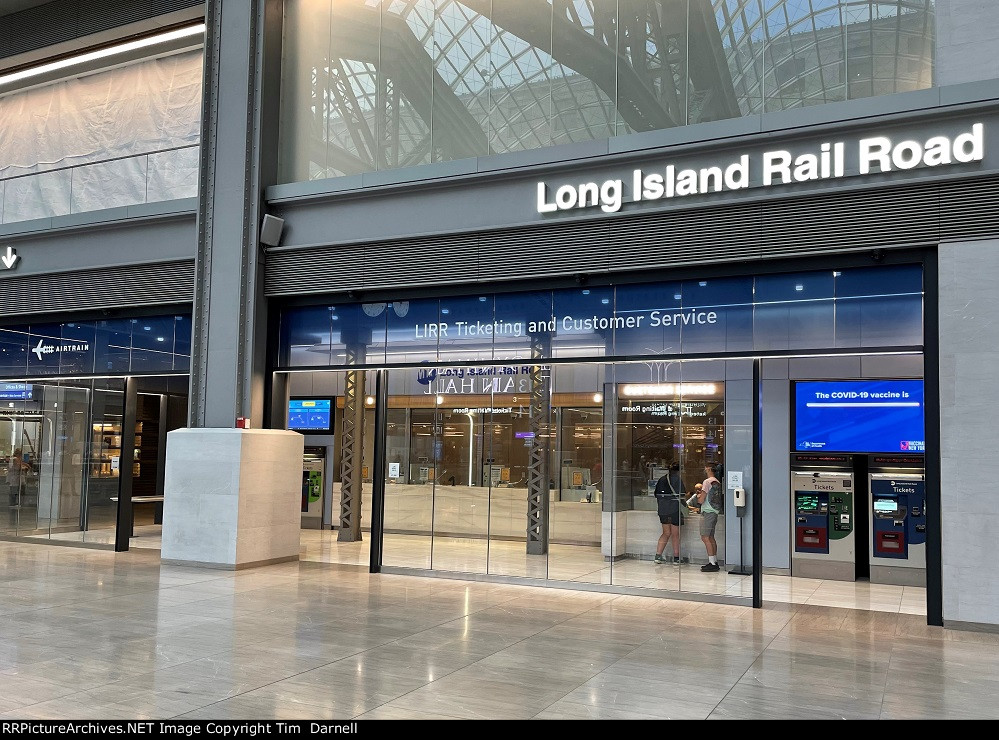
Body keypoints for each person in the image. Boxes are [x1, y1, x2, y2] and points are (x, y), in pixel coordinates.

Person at [687, 463, 722, 572]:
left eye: (706, 467)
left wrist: (698, 499)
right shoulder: (717, 481)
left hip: (707, 511)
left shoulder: (707, 482)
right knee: (711, 537)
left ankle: (712, 563)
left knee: (705, 537)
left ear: (708, 469)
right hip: (714, 511)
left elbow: (701, 499)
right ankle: (714, 560)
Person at [653, 462, 685, 564]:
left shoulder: (662, 479)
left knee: (666, 533)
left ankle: (658, 556)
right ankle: (676, 558)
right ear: (679, 471)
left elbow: (656, 494)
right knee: (675, 534)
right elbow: (682, 495)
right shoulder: (678, 480)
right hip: (674, 509)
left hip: (663, 510)